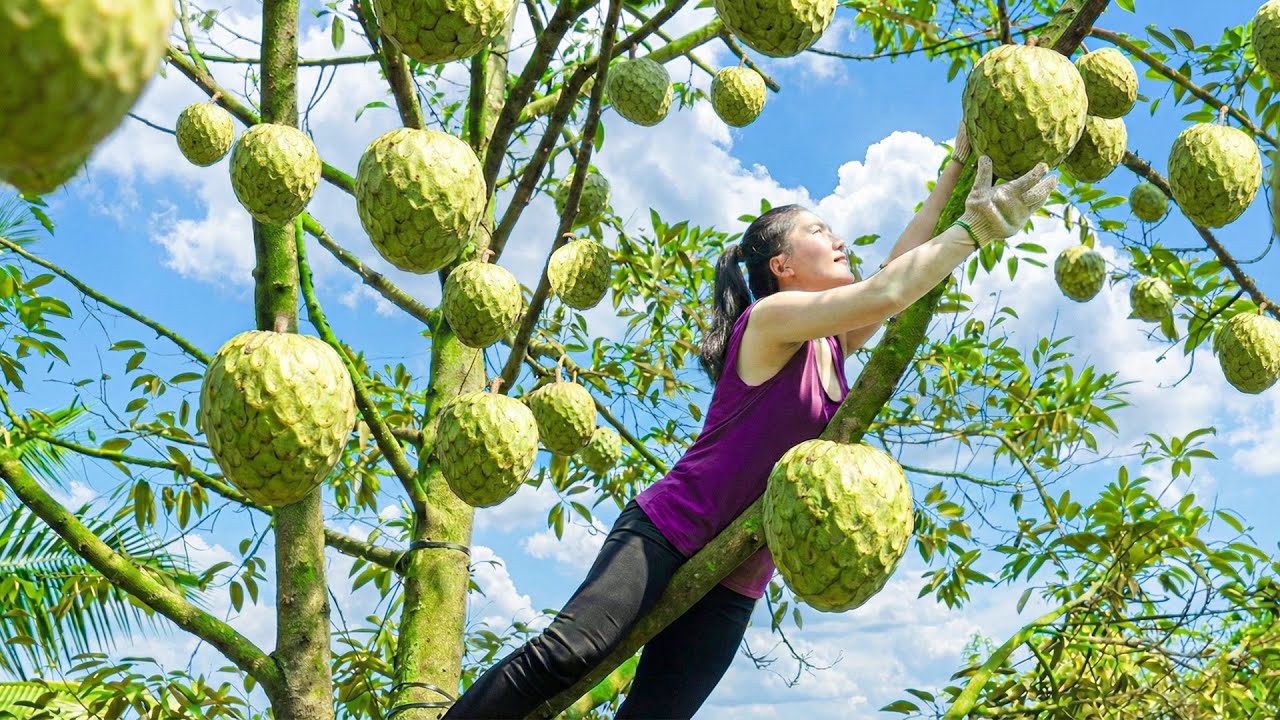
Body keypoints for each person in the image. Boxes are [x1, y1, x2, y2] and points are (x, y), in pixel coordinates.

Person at [442, 128, 1057, 719]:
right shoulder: (769, 320)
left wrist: (957, 164)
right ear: (783, 266)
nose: (839, 239)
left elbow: (893, 274)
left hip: (739, 576)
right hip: (669, 530)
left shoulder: (833, 346)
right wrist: (975, 229)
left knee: (659, 715)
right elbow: (886, 294)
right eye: (820, 230)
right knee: (564, 656)